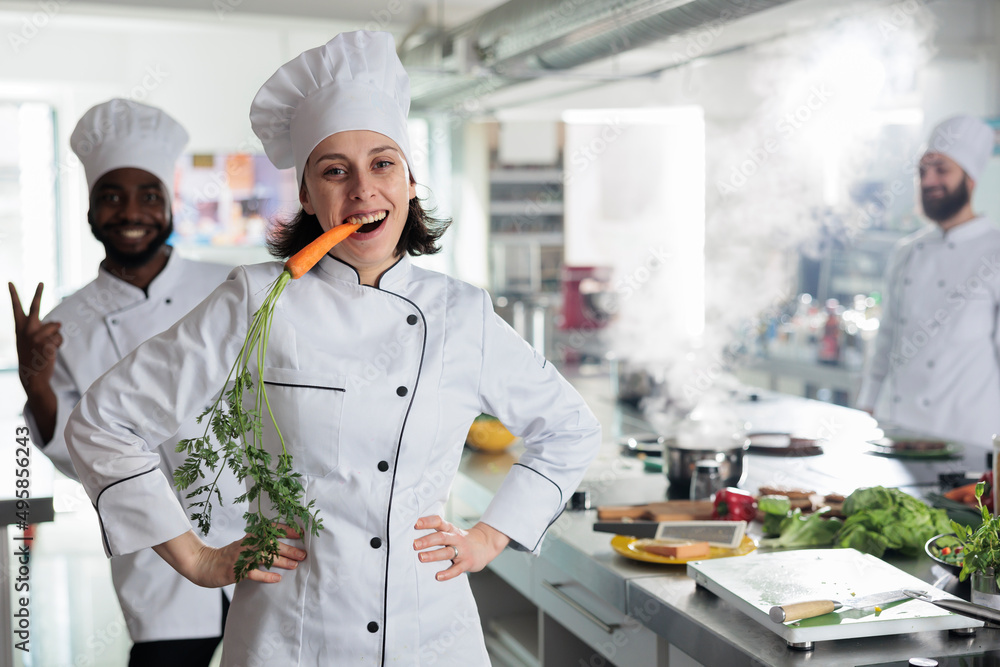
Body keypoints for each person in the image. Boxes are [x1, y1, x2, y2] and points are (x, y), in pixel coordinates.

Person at [64, 31, 602, 666]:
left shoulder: (461, 313)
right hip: (290, 635)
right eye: (334, 171)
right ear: (306, 194)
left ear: (408, 178)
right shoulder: (255, 301)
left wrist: (489, 535)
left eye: (382, 164)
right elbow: (104, 424)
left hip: (428, 633)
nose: (361, 191)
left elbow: (568, 428)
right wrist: (197, 558)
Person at [9, 99, 246, 665]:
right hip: (156, 551)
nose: (130, 211)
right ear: (90, 210)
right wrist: (36, 384)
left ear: (169, 205)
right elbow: (79, 451)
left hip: (253, 529)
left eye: (148, 195)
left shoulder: (233, 290)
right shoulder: (67, 321)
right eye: (111, 196)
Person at [857, 114, 1000, 447]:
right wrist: (867, 404)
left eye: (942, 169)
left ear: (971, 178)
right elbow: (887, 339)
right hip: (897, 431)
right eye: (922, 170)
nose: (928, 180)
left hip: (967, 438)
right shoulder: (907, 251)